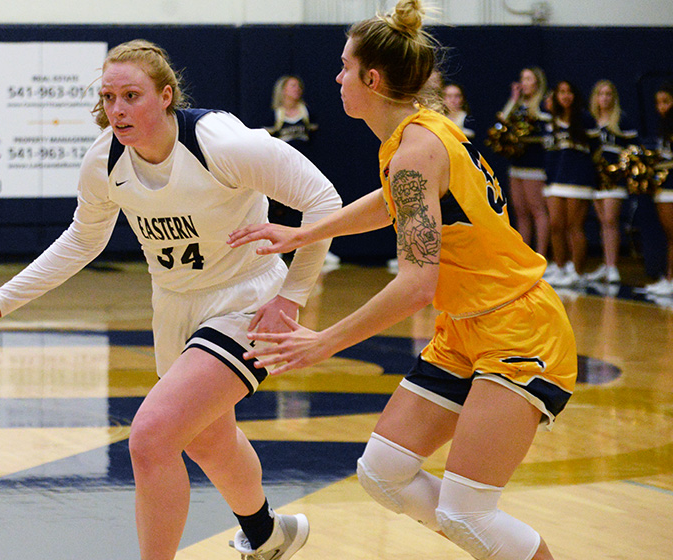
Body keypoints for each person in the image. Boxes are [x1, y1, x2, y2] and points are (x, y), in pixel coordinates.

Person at [0, 39, 342, 560]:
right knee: (206, 438)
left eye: (131, 96)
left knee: (151, 437)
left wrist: (293, 296)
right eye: (109, 97)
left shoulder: (221, 143)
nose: (118, 110)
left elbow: (323, 200)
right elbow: (82, 238)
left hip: (246, 297)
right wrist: (1, 301)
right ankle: (267, 534)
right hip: (174, 304)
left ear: (165, 96)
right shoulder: (105, 161)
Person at [227, 3, 577, 560]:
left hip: (518, 330)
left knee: (467, 513)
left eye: (344, 67)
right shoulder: (414, 138)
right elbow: (396, 200)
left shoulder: (414, 151)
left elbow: (416, 285)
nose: (337, 77)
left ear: (372, 78)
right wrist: (304, 233)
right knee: (384, 473)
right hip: (465, 328)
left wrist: (323, 341)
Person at [265, 75, 342, 271]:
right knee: (279, 208)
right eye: (292, 86)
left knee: (312, 207)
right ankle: (277, 247)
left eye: (298, 86)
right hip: (282, 170)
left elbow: (314, 141)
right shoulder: (274, 114)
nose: (296, 89)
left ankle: (318, 249)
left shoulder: (307, 113)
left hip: (306, 169)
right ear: (282, 90)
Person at [542, 80, 599, 288]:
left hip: (578, 180)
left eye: (569, 92)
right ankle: (560, 267)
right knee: (556, 225)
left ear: (575, 95)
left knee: (574, 226)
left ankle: (578, 271)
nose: (565, 96)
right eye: (561, 92)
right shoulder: (551, 121)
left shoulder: (585, 119)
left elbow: (595, 148)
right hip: (554, 180)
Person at [586, 79, 637, 285]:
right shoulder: (590, 121)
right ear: (595, 98)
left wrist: (622, 170)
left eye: (608, 94)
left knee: (610, 221)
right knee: (602, 222)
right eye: (600, 94)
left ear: (613, 98)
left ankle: (613, 266)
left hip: (614, 179)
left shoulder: (622, 121)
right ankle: (606, 265)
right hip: (595, 178)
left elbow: (633, 149)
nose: (604, 98)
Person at [499, 67, 552, 258]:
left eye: (528, 79)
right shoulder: (518, 105)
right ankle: (524, 256)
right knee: (520, 212)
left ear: (537, 82)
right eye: (522, 78)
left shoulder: (544, 105)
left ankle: (541, 255)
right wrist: (513, 99)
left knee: (537, 210)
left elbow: (548, 126)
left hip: (535, 166)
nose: (524, 82)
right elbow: (502, 121)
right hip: (517, 165)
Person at [642, 83, 673, 295]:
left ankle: (670, 279)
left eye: (666, 102)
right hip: (664, 188)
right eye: (658, 103)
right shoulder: (663, 127)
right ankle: (669, 278)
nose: (661, 107)